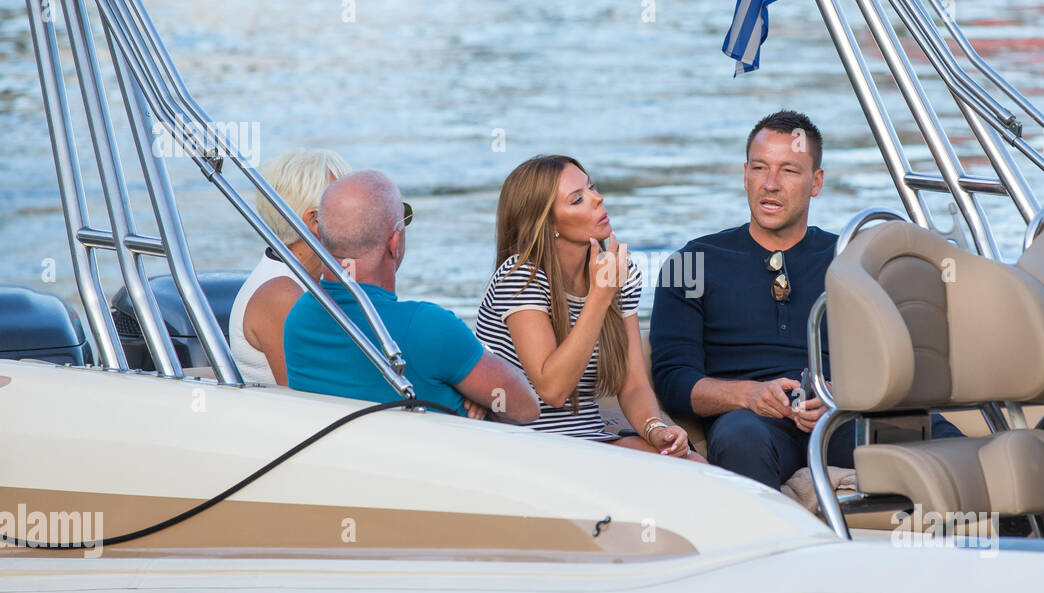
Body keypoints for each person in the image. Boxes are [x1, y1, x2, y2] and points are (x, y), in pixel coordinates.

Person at [651, 110, 957, 490]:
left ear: (816, 182)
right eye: (760, 168)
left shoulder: (852, 258)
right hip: (750, 421)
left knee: (942, 437)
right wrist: (750, 395)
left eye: (789, 171)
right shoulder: (690, 262)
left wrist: (840, 396)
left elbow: (898, 361)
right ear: (745, 175)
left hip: (842, 416)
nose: (771, 184)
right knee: (740, 438)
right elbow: (673, 382)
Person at [476, 155, 702, 459]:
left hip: (589, 438)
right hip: (525, 446)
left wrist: (655, 429)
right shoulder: (520, 278)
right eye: (577, 199)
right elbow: (553, 390)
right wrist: (599, 296)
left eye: (591, 188)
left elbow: (633, 384)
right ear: (549, 224)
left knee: (696, 465)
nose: (598, 198)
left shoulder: (619, 273)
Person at [283, 170, 539, 423]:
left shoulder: (299, 318)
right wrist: (473, 396)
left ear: (322, 236)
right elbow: (525, 407)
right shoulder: (428, 326)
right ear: (394, 242)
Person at [229, 148, 352, 386]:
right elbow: (314, 393)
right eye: (349, 209)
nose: (360, 217)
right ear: (315, 220)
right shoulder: (282, 295)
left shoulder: (303, 280)